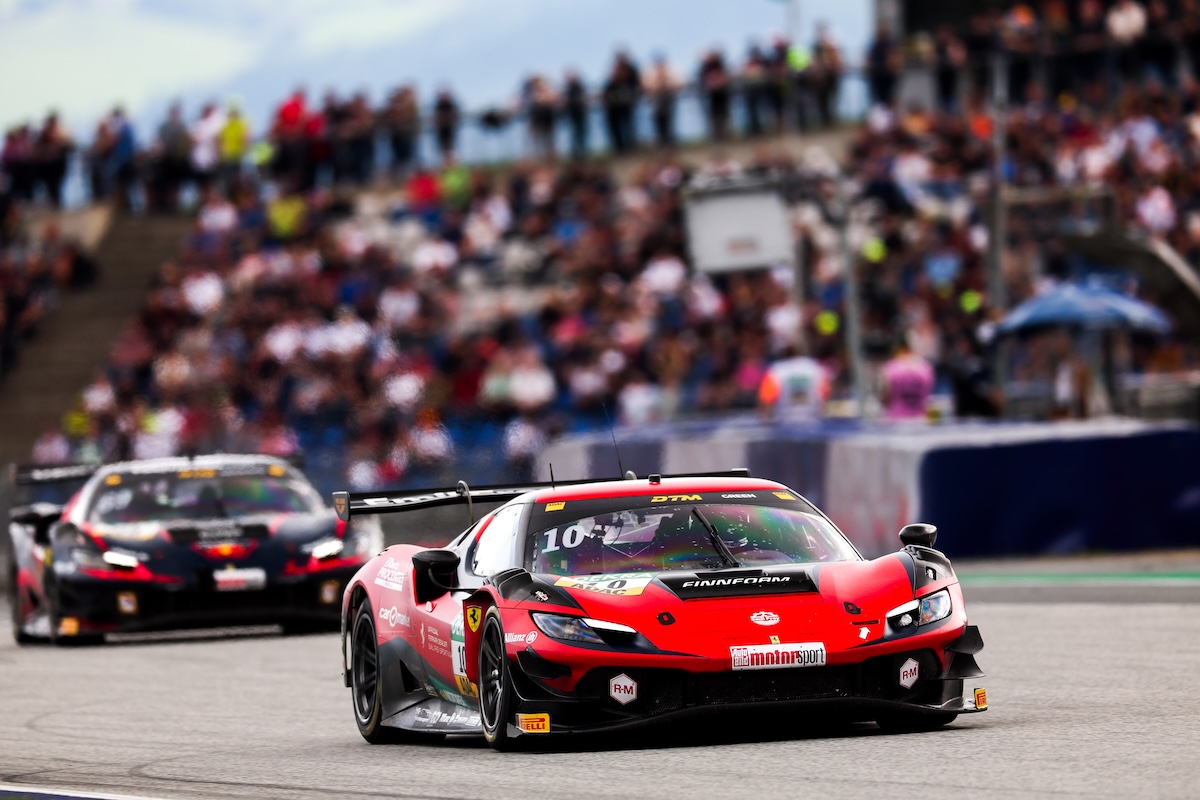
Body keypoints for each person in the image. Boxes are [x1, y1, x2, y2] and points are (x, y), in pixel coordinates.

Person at [757, 346, 829, 422]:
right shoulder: (815, 368)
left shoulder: (776, 371)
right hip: (812, 423)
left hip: (784, 423)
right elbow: (825, 395)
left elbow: (765, 401)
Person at [880, 340, 934, 420]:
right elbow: (927, 394)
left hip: (896, 419)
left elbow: (885, 396)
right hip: (920, 418)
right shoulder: (926, 368)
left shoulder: (890, 368)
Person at [643, 54, 681, 147]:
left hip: (668, 98)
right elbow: (647, 86)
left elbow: (677, 84)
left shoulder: (670, 70)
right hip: (656, 99)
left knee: (669, 120)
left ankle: (669, 142)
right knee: (659, 121)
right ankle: (662, 142)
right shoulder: (650, 72)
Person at [433, 88, 460, 164]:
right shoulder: (438, 106)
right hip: (441, 134)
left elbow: (456, 117)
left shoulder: (451, 105)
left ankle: (451, 163)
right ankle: (445, 164)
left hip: (450, 133)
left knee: (451, 150)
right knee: (443, 152)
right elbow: (436, 119)